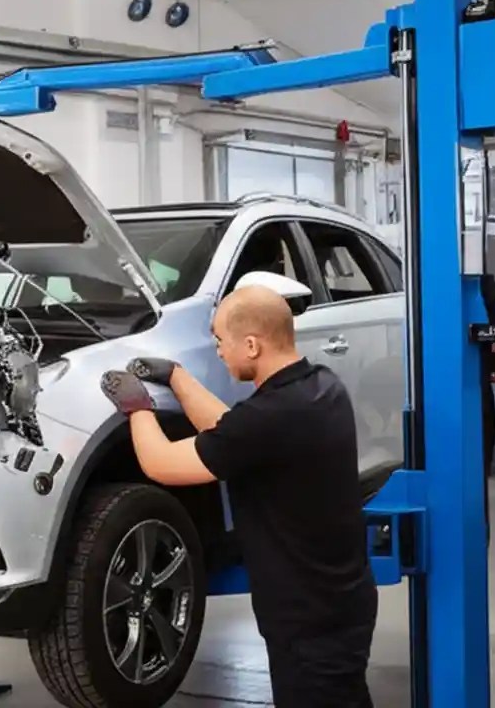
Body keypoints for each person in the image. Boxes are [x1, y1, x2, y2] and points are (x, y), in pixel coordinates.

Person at [98, 284, 378, 708]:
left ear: (251, 344)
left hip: (306, 617)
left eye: (219, 341)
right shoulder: (319, 386)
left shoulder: (271, 417)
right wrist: (177, 376)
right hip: (340, 600)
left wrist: (136, 407)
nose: (218, 352)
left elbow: (161, 462)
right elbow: (231, 431)